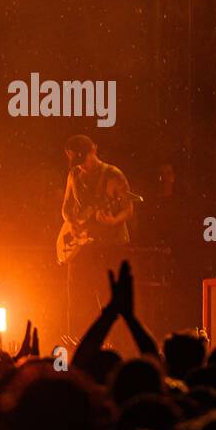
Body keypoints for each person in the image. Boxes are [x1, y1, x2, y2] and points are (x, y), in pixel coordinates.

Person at [60, 135, 134, 333]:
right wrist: (72, 223)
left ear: (93, 152)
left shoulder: (113, 175)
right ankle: (76, 340)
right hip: (82, 246)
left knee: (109, 297)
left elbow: (128, 208)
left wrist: (113, 220)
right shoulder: (74, 174)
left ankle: (113, 346)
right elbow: (66, 208)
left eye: (82, 160)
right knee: (77, 297)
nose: (80, 166)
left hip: (110, 246)